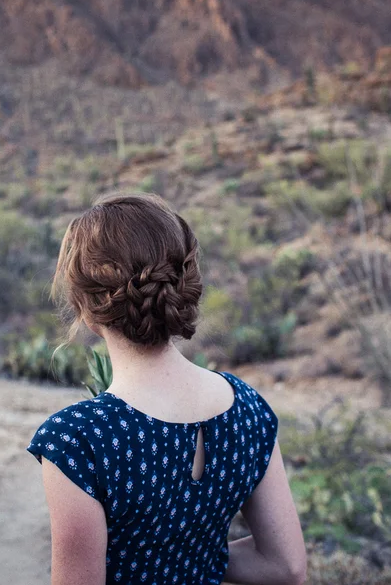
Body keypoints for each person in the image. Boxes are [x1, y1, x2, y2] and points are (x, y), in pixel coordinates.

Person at [27, 191, 307, 585]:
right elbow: (286, 566)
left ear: (87, 307)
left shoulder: (78, 439)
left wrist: (154, 555)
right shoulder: (248, 408)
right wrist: (193, 553)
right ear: (181, 287)